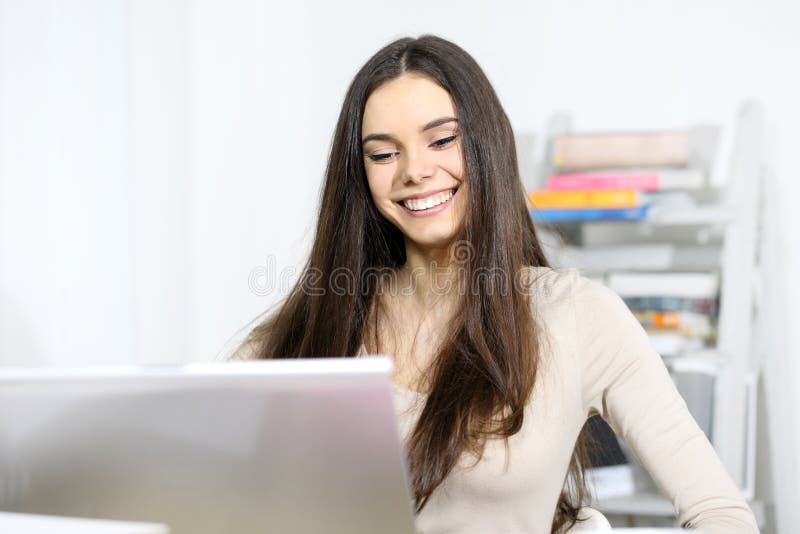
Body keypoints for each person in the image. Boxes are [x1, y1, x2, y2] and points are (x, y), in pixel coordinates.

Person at [236, 35, 759, 534]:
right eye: (383, 153)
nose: (415, 170)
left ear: (487, 144)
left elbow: (724, 517)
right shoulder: (318, 325)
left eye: (442, 140)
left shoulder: (578, 316)